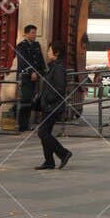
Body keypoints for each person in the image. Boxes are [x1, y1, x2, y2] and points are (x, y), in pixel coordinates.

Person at [33, 42, 73, 170]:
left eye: (50, 50)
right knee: (46, 133)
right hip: (49, 106)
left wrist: (49, 100)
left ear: (56, 53)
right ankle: (49, 161)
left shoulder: (59, 68)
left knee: (42, 132)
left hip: (53, 106)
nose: (48, 53)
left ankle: (63, 153)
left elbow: (60, 88)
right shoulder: (53, 66)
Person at [13, 25, 45, 132]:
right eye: (32, 33)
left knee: (31, 100)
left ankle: (26, 124)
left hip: (36, 77)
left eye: (35, 33)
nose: (34, 35)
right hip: (25, 77)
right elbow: (23, 61)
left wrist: (43, 72)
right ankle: (20, 123)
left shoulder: (36, 45)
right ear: (26, 34)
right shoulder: (21, 46)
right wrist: (32, 72)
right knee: (25, 99)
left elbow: (40, 60)